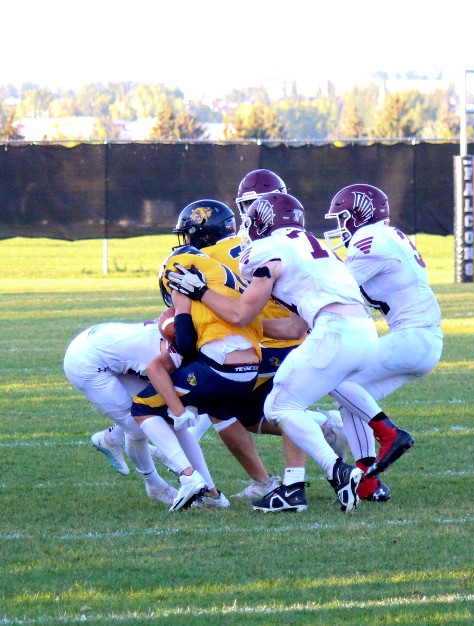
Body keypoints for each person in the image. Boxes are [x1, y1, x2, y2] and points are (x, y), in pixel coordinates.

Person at [166, 191, 391, 513]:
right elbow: (295, 328)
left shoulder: (258, 251)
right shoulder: (308, 247)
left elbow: (239, 315)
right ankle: (315, 470)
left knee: (280, 405)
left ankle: (310, 478)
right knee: (272, 406)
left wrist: (199, 292)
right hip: (344, 333)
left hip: (307, 338)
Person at [324, 183, 443, 502]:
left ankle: (390, 434)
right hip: (423, 340)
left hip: (412, 336)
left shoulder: (368, 239)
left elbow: (336, 289)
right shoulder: (389, 235)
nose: (339, 228)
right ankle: (367, 481)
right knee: (350, 399)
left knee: (332, 374)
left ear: (357, 214)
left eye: (342, 218)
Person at [131, 244, 264, 510]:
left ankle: (188, 476)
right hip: (250, 369)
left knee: (142, 405)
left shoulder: (181, 268)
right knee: (219, 409)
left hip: (221, 367)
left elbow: (186, 341)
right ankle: (215, 494)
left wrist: (175, 340)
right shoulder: (228, 275)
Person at [64, 321, 179, 505]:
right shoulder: (161, 355)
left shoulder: (169, 341)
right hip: (85, 361)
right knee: (139, 426)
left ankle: (110, 438)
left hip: (105, 346)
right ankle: (156, 486)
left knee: (152, 409)